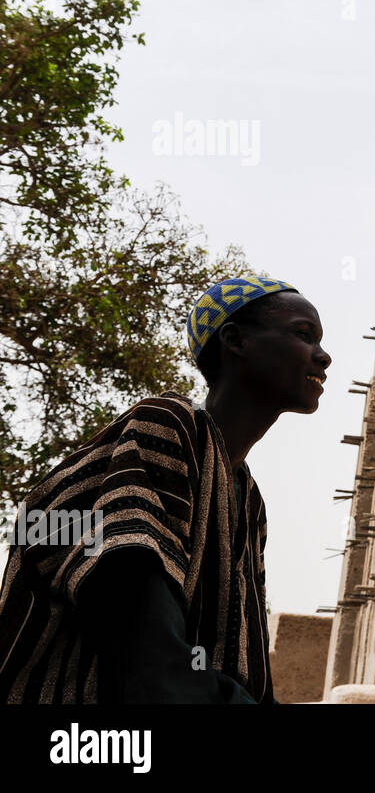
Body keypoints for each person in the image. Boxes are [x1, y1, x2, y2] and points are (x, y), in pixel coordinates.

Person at [0, 276, 330, 703]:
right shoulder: (167, 423)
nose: (323, 356)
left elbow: (239, 657)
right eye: (304, 335)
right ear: (236, 340)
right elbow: (145, 640)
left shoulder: (248, 499)